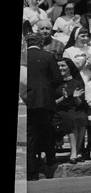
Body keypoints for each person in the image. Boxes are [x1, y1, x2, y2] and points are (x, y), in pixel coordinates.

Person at [25, 33, 63, 180]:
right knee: (47, 132)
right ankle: (50, 161)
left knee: (29, 136)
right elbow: (58, 79)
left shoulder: (24, 58)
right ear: (40, 43)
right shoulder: (48, 57)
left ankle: (32, 171)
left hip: (26, 100)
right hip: (44, 101)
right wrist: (48, 89)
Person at [54, 58, 89, 163]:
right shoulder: (54, 82)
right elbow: (52, 103)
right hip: (60, 110)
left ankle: (77, 151)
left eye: (63, 66)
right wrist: (63, 98)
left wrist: (75, 97)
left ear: (69, 67)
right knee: (72, 119)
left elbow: (79, 103)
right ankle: (74, 152)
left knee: (82, 117)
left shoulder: (76, 82)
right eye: (58, 66)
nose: (60, 68)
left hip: (74, 108)